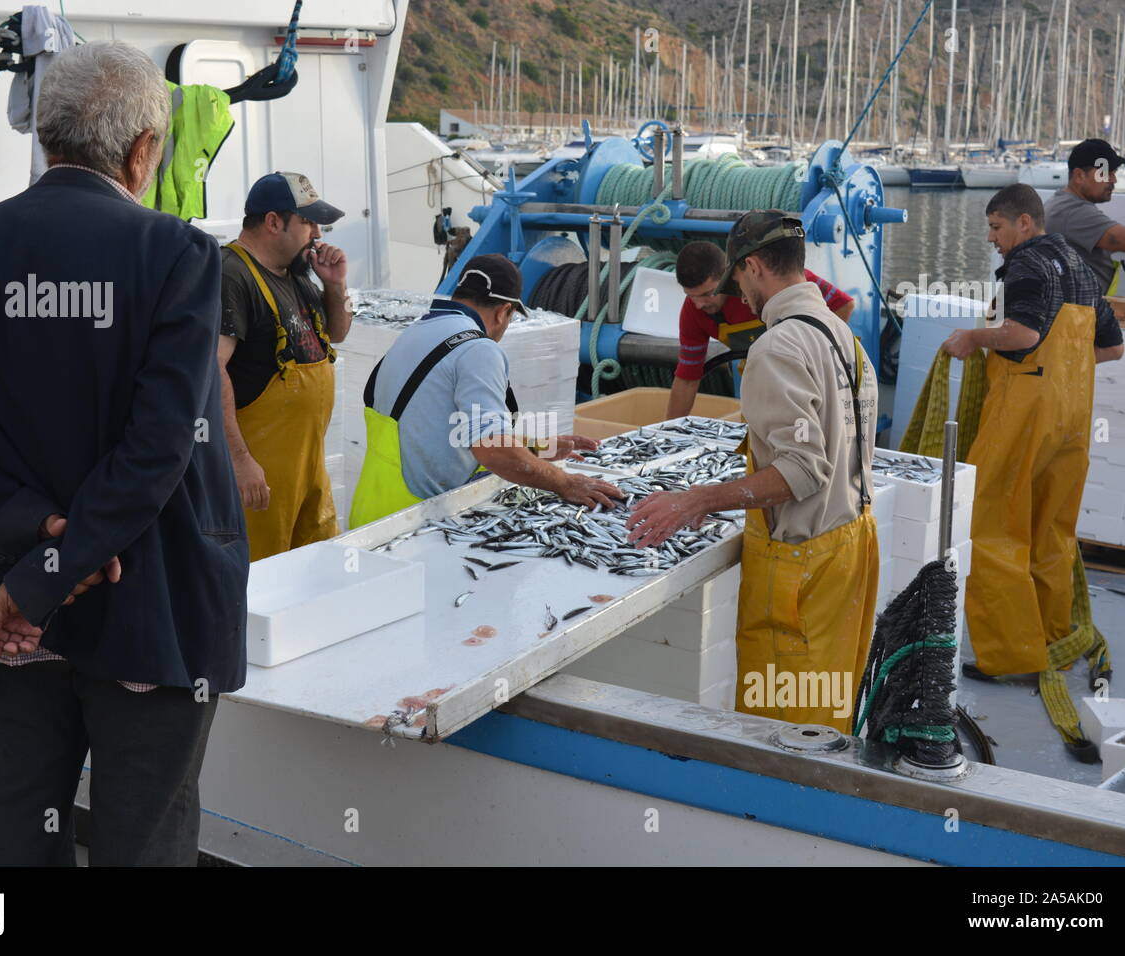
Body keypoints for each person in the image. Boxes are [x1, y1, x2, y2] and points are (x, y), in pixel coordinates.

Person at [0, 41, 247, 865]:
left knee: (16, 823)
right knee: (141, 838)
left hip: (7, 614)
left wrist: (31, 546)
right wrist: (61, 563)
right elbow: (160, 448)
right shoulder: (178, 257)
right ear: (145, 149)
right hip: (151, 610)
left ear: (45, 136)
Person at [627, 212, 879, 733]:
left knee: (782, 730)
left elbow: (803, 471)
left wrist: (694, 500)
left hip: (802, 568)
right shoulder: (843, 337)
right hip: (851, 546)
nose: (738, 291)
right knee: (828, 712)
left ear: (756, 267)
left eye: (738, 279)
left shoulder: (776, 346)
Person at [943, 184, 1123, 689]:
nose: (991, 237)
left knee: (993, 523)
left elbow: (1022, 334)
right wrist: (1064, 369)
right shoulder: (1083, 269)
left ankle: (1014, 656)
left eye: (997, 226)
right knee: (1053, 531)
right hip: (1072, 420)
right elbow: (1112, 349)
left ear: (1025, 223)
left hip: (1023, 414)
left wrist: (971, 338)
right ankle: (1053, 640)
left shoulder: (1026, 265)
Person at [349, 254, 622, 526]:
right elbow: (492, 450)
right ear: (504, 311)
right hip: (415, 522)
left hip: (372, 514)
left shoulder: (419, 332)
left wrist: (538, 449)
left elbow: (440, 429)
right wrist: (565, 482)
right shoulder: (478, 349)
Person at [220, 171, 351, 561]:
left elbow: (339, 333)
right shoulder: (232, 273)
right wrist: (240, 462)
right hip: (259, 478)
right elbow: (211, 372)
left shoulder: (297, 275)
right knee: (259, 584)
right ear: (274, 222)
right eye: (308, 221)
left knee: (316, 575)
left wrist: (336, 284)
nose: (317, 233)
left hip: (309, 468)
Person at [667, 239, 855, 419]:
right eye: (691, 296)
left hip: (807, 388)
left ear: (727, 277)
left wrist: (811, 359)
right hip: (761, 390)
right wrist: (666, 431)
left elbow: (843, 305)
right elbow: (687, 378)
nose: (699, 304)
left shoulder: (780, 281)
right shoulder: (694, 310)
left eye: (707, 294)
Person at [1044, 138, 1125, 294]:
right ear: (1079, 176)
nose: (1114, 180)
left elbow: (1116, 238)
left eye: (1113, 173)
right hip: (1080, 315)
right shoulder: (1073, 211)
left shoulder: (1063, 204)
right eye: (1105, 173)